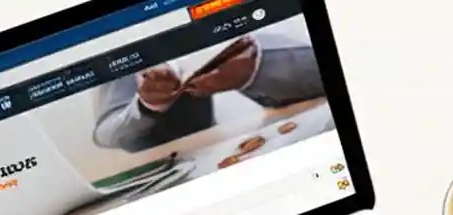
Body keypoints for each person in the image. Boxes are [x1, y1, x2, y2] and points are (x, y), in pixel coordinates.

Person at [93, 32, 324, 152]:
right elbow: (105, 135)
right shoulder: (122, 47)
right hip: (159, 166)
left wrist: (255, 68)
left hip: (223, 147)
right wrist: (147, 106)